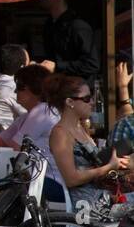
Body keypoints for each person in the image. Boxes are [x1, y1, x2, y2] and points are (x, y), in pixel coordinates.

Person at [47, 74, 132, 215]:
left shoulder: (80, 127)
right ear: (70, 102)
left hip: (104, 196)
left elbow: (94, 165)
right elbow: (71, 179)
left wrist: (118, 163)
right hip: (87, 205)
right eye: (86, 99)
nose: (92, 102)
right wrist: (108, 167)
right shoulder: (60, 133)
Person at [0, 65, 61, 190]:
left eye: (20, 87)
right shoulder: (27, 115)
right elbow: (0, 141)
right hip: (35, 178)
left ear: (34, 89)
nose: (15, 91)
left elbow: (17, 149)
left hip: (49, 181)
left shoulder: (42, 111)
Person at [37, 0, 99, 90]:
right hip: (57, 91)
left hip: (77, 94)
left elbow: (91, 64)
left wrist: (58, 66)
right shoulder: (49, 25)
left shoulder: (78, 26)